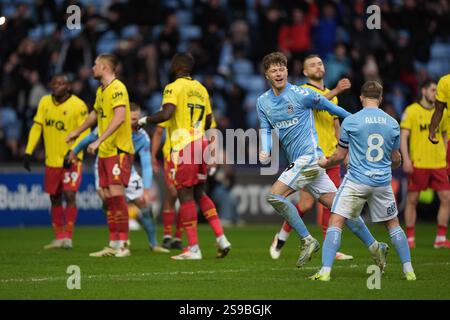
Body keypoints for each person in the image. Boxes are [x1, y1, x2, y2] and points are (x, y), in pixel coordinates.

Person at [257, 52, 386, 267]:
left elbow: (332, 108)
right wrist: (266, 149)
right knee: (341, 208)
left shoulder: (301, 94)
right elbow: (265, 129)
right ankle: (375, 246)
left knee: (274, 196)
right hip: (309, 165)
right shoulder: (263, 102)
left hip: (309, 158)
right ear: (267, 75)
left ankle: (307, 240)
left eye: (282, 69)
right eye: (274, 70)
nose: (278, 73)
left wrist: (357, 119)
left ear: (287, 71)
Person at [309, 81, 416, 281]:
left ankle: (325, 272)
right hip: (382, 182)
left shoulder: (351, 121)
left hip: (356, 181)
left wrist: (325, 163)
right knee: (393, 224)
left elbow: (340, 156)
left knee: (336, 221)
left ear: (361, 97)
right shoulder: (393, 123)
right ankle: (409, 270)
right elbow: (395, 159)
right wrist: (392, 164)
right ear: (381, 98)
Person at [138, 52, 231, 260]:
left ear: (176, 66)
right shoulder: (201, 89)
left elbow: (166, 114)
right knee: (200, 193)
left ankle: (193, 248)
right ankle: (221, 238)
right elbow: (208, 122)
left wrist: (143, 120)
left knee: (185, 196)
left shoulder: (173, 87)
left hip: (184, 146)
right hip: (201, 144)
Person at [270, 54, 353, 261]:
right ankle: (281, 236)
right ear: (305, 72)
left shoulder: (332, 95)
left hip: (330, 156)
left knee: (332, 204)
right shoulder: (302, 91)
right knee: (306, 205)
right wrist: (336, 91)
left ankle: (329, 248)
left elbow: (336, 125)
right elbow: (317, 103)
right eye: (312, 65)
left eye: (320, 63)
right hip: (310, 157)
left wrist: (344, 152)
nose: (318, 66)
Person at [67, 103, 169, 253]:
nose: (136, 122)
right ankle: (117, 241)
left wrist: (146, 189)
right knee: (108, 203)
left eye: (137, 119)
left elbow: (146, 165)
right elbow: (88, 139)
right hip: (104, 166)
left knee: (145, 205)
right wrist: (74, 151)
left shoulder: (142, 137)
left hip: (128, 170)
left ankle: (153, 243)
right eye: (132, 119)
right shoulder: (110, 127)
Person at [66, 53, 134, 258]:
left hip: (118, 149)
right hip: (106, 152)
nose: (92, 68)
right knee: (108, 197)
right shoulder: (101, 91)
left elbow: (120, 117)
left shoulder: (117, 88)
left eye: (95, 65)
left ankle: (123, 244)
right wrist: (78, 132)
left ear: (104, 67)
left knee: (116, 194)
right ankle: (114, 242)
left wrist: (98, 140)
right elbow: (95, 114)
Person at [24, 74, 90, 249]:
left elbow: (84, 133)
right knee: (54, 198)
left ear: (68, 86)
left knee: (70, 194)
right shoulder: (45, 102)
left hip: (72, 159)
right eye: (54, 83)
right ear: (50, 86)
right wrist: (28, 151)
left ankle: (68, 236)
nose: (57, 86)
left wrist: (73, 153)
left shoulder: (78, 105)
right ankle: (59, 237)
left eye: (61, 83)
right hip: (51, 161)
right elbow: (37, 127)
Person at [401, 79, 450, 248]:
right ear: (423, 91)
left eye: (437, 90)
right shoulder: (411, 111)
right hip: (419, 162)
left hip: (439, 163)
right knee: (412, 200)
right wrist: (406, 159)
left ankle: (440, 239)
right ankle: (410, 239)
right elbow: (403, 136)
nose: (435, 94)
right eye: (432, 90)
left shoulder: (441, 112)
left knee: (446, 198)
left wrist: (446, 158)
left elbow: (445, 136)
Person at [152, 123, 184, 250]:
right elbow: (159, 131)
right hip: (171, 154)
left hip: (190, 154)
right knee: (173, 193)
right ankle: (167, 235)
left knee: (184, 196)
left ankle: (178, 237)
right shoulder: (170, 104)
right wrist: (153, 155)